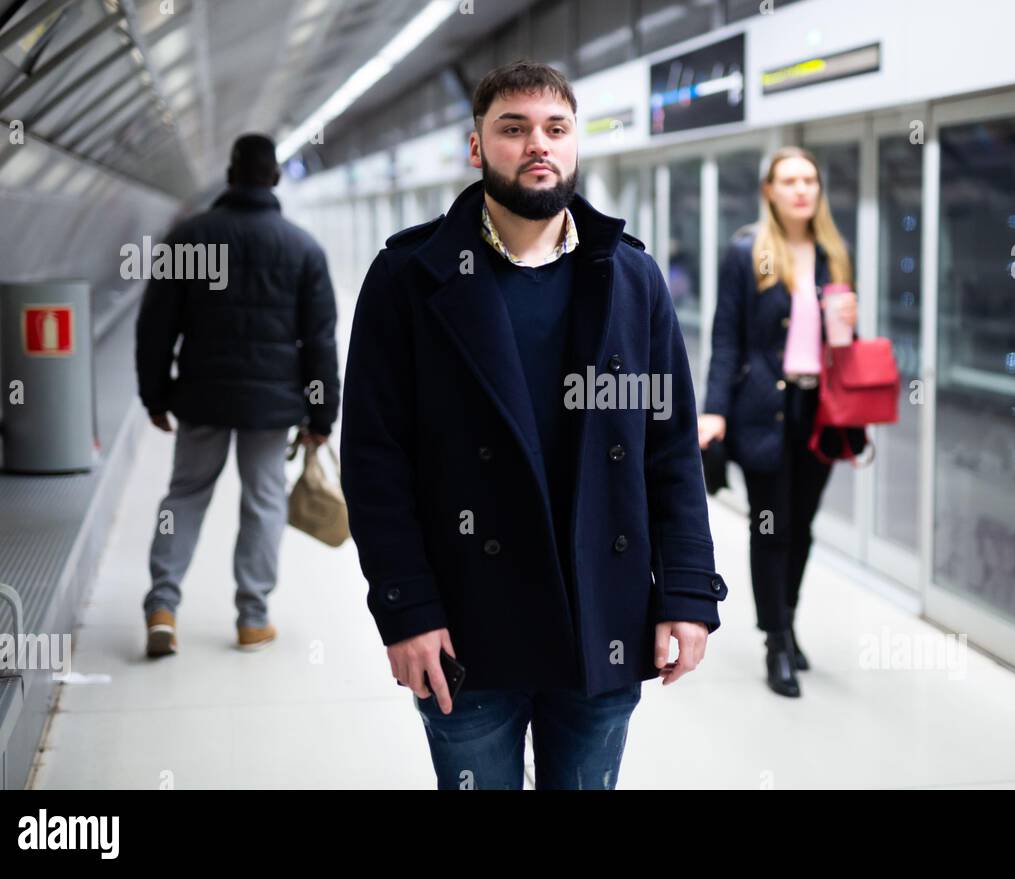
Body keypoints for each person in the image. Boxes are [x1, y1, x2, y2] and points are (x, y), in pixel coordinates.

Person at [339, 61, 726, 790]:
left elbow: (670, 450)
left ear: (576, 143)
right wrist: (405, 609)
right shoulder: (409, 279)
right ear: (477, 147)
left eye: (555, 128)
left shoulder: (629, 277)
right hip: (466, 625)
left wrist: (686, 592)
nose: (537, 144)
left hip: (602, 619)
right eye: (513, 129)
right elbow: (373, 460)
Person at [135, 133, 340, 657]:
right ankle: (252, 618)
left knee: (185, 494)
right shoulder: (302, 248)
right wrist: (323, 414)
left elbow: (155, 326)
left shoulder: (188, 238)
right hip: (270, 407)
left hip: (201, 395)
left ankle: (162, 607)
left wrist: (154, 395)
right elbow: (319, 342)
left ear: (230, 175)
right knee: (265, 499)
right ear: (273, 178)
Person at [699, 146, 857, 698]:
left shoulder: (835, 253)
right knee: (772, 526)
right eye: (789, 180)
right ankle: (776, 643)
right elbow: (726, 336)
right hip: (762, 411)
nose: (801, 190)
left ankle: (786, 621)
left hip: (820, 413)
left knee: (804, 526)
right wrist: (713, 410)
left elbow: (841, 345)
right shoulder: (749, 253)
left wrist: (849, 329)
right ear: (769, 190)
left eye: (809, 180)